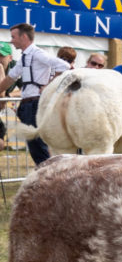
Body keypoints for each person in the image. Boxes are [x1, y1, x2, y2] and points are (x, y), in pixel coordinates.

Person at [2, 24, 71, 165]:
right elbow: (10, 78)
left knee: (37, 145)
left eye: (13, 37)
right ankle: (49, 174)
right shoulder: (25, 57)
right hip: (28, 104)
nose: (11, 40)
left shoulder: (37, 53)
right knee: (35, 145)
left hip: (35, 103)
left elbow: (64, 66)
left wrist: (49, 85)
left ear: (24, 37)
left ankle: (50, 176)